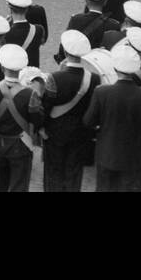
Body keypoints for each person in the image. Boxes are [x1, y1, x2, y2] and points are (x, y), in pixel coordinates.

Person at [82, 43, 141, 191]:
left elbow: (88, 121)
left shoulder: (102, 92)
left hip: (107, 153)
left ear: (115, 67)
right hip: (134, 157)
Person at [40, 29, 98, 192]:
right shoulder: (94, 79)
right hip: (80, 133)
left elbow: (46, 106)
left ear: (65, 51)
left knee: (53, 172)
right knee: (74, 173)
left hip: (55, 133)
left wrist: (41, 128)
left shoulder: (55, 77)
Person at [0, 44, 43, 192]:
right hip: (20, 146)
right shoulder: (30, 94)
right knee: (18, 186)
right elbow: (37, 121)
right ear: (21, 71)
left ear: (2, 68)